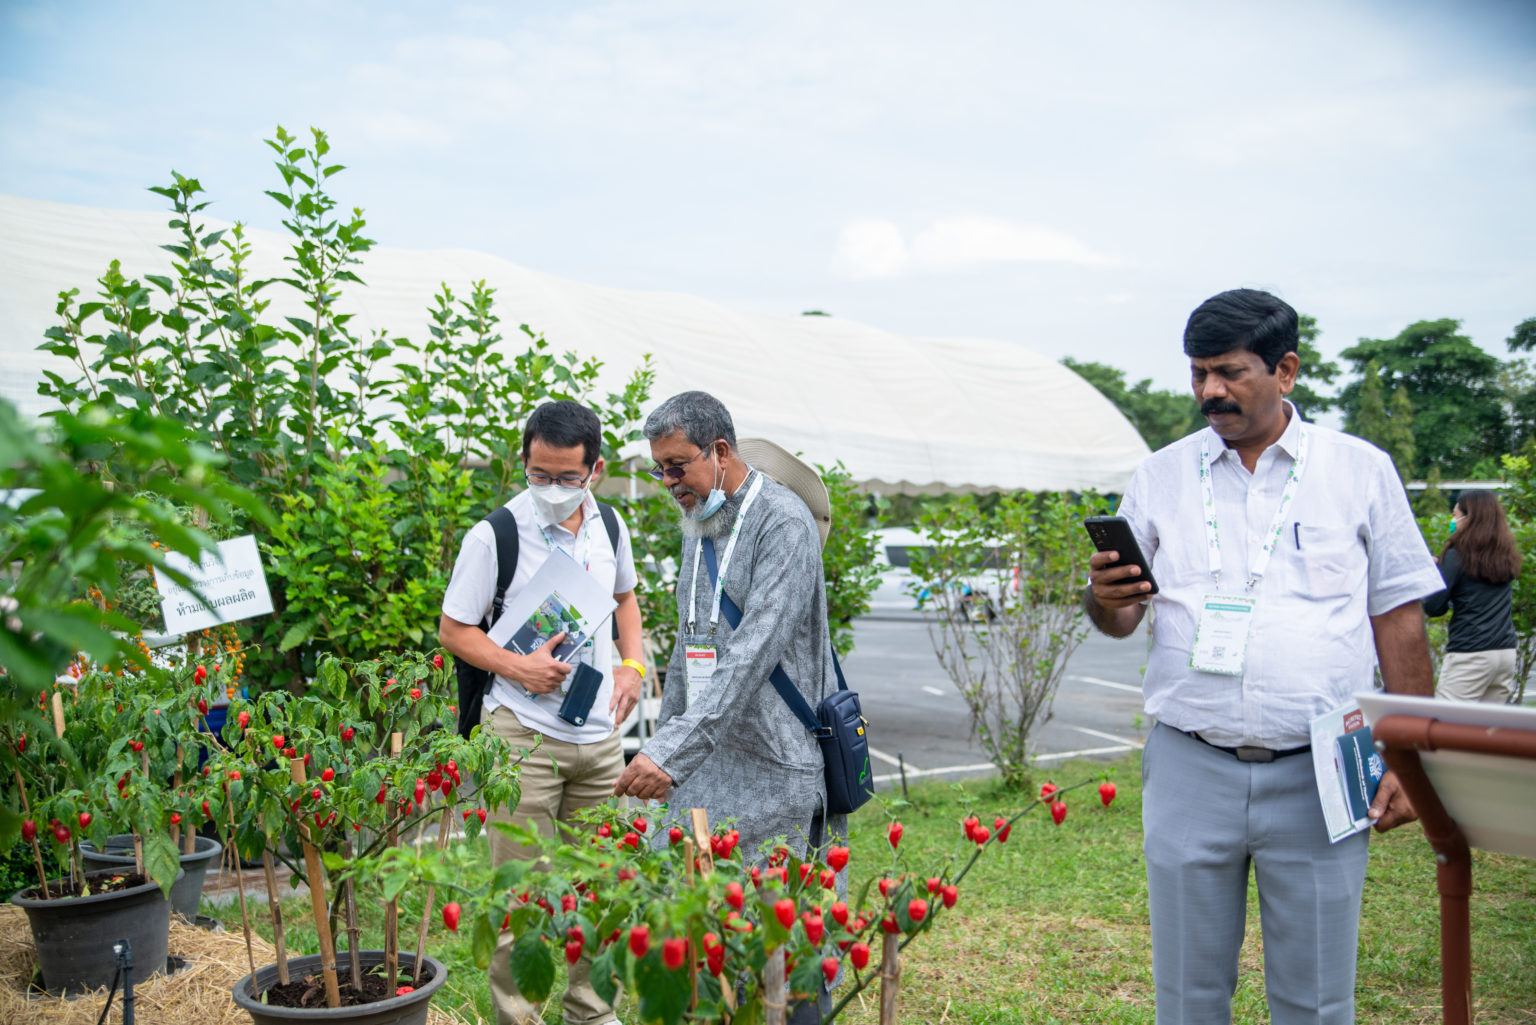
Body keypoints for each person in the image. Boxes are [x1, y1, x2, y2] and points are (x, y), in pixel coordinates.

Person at [1084, 288, 1444, 1025]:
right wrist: (1105, 594)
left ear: (1285, 370)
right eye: (1198, 373)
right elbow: (1119, 619)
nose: (1210, 391)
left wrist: (1410, 758)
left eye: (1229, 372)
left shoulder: (1359, 470)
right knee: (1187, 997)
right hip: (1190, 764)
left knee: (1316, 1000)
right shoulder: (1161, 476)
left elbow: (1398, 618)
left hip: (1322, 766)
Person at [611, 390, 841, 1024]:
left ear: (718, 451)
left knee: (782, 940)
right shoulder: (702, 522)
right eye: (659, 468)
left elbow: (752, 654)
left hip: (777, 765)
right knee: (708, 942)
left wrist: (675, 750)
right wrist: (666, 745)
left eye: (677, 465)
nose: (668, 482)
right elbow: (690, 650)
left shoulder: (783, 523)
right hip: (708, 766)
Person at [439, 400, 646, 1025]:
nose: (552, 488)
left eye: (567, 477)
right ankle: (519, 1015)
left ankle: (592, 1010)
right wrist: (517, 666)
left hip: (601, 737)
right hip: (521, 736)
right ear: (523, 461)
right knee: (520, 894)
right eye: (539, 474)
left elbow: (625, 599)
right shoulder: (495, 536)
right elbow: (454, 630)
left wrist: (632, 667)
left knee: (601, 886)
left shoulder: (611, 526)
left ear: (596, 470)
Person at [1423, 490, 1522, 703]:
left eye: (1455, 515)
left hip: (1471, 653)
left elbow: (1433, 606)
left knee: (1446, 720)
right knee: (1487, 723)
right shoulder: (1504, 555)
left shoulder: (1456, 554)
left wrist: (1434, 573)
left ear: (1470, 518)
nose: (1453, 521)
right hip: (1505, 652)